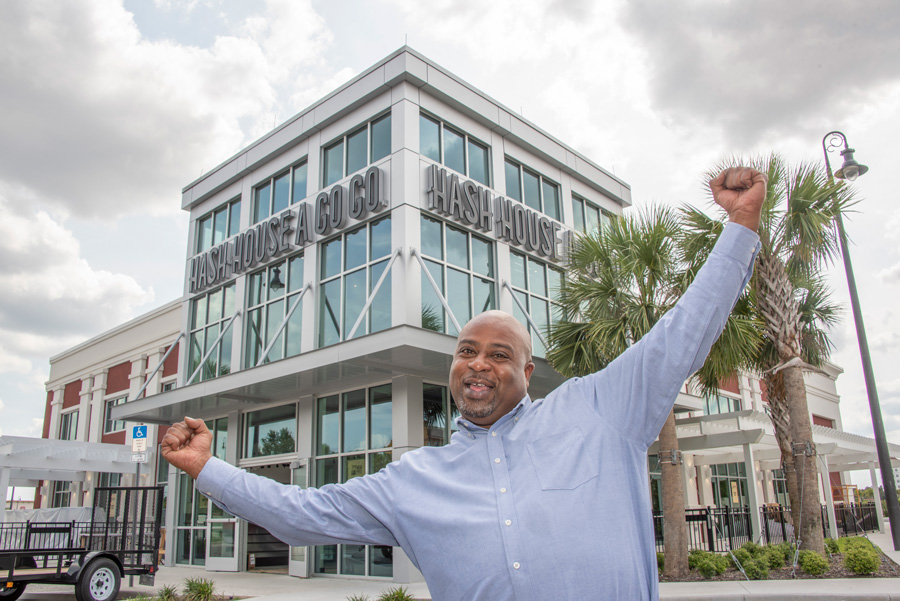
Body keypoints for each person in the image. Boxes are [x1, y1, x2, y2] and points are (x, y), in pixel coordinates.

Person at [163, 167, 767, 601]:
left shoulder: (598, 411)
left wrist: (739, 225)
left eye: (499, 354)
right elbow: (300, 514)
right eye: (466, 352)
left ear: (527, 374)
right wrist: (204, 468)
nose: (478, 363)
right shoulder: (413, 482)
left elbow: (684, 331)